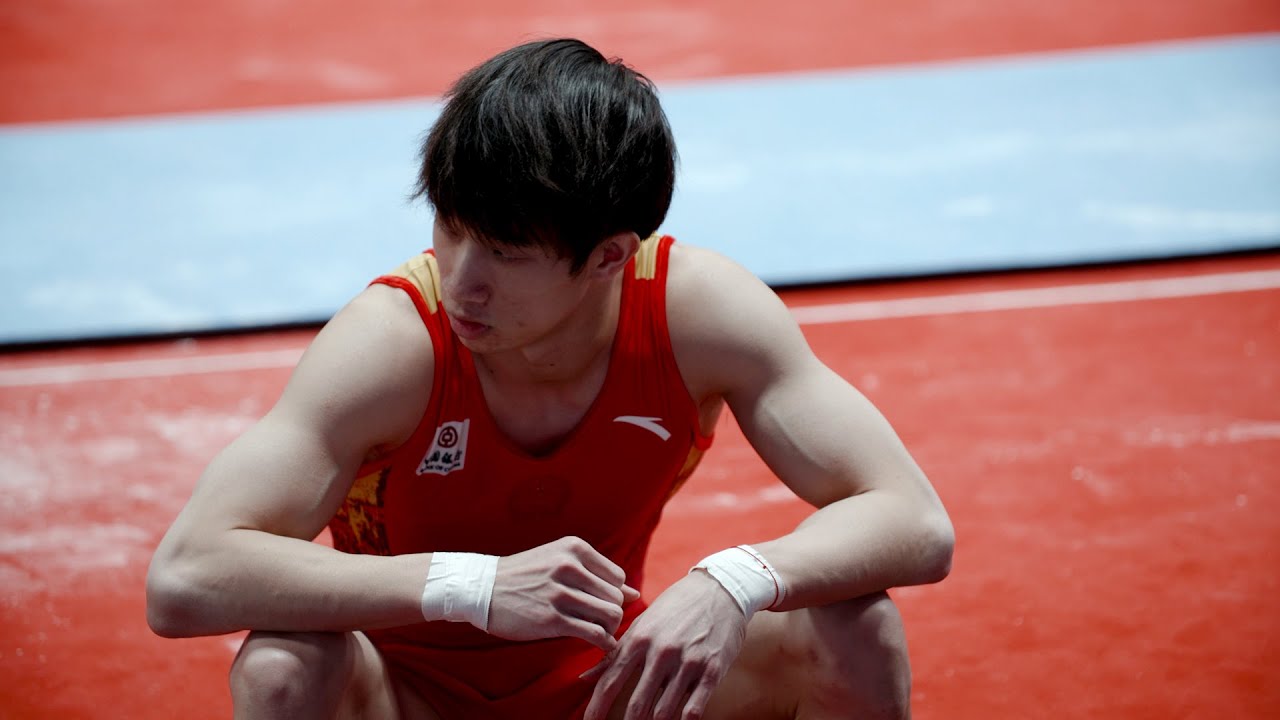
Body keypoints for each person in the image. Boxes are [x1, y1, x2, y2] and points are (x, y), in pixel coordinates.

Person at [146, 38, 954, 720]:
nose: (461, 281)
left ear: (609, 257)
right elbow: (185, 577)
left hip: (610, 683)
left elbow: (914, 521)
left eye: (505, 253)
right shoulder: (392, 344)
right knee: (281, 669)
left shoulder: (698, 313)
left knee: (854, 626)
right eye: (450, 229)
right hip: (401, 696)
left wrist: (733, 581)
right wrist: (472, 585)